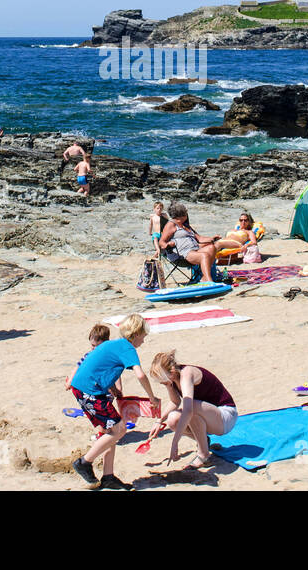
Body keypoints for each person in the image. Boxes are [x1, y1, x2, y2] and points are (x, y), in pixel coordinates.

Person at [69, 314, 159, 490]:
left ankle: (108, 476)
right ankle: (84, 462)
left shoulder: (113, 344)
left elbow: (101, 367)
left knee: (109, 432)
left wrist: (113, 389)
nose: (144, 340)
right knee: (120, 429)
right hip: (89, 391)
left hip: (85, 388)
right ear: (136, 334)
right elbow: (140, 374)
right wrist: (151, 397)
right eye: (144, 336)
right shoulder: (128, 348)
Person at [148, 351, 238, 470]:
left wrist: (175, 442)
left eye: (162, 380)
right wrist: (159, 421)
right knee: (172, 419)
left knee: (189, 408)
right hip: (210, 416)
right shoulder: (172, 381)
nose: (161, 383)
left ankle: (203, 454)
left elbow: (189, 409)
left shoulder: (186, 374)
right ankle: (204, 442)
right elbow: (175, 402)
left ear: (172, 372)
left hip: (225, 416)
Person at [160, 202, 221, 282]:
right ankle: (209, 280)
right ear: (181, 215)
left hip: (194, 250)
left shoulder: (186, 226)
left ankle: (204, 277)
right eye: (185, 213)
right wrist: (168, 245)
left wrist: (212, 239)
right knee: (204, 255)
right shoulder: (171, 225)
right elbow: (161, 242)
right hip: (181, 255)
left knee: (211, 248)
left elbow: (199, 238)